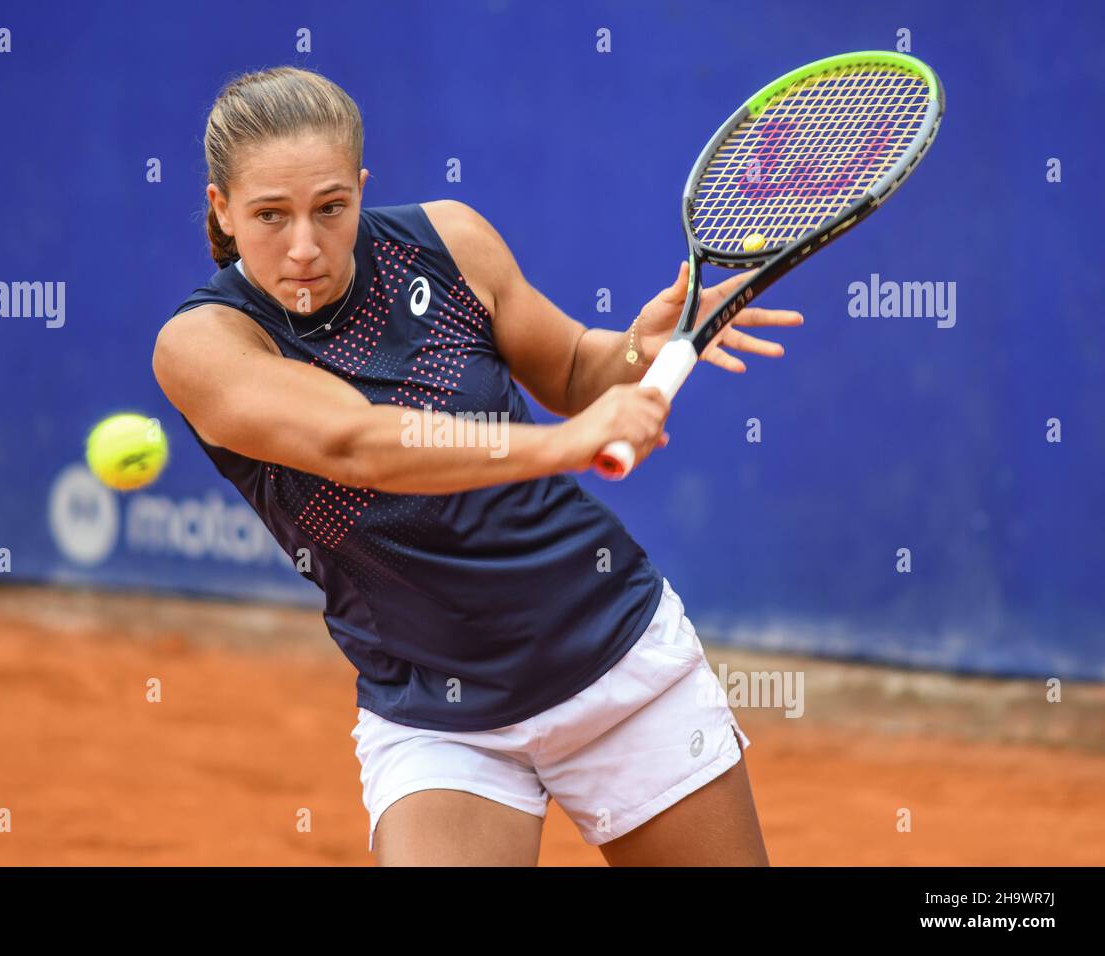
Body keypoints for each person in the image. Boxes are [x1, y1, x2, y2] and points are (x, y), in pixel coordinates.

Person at [154, 66, 803, 866]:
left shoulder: (447, 241)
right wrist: (564, 445)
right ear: (221, 208)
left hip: (613, 655)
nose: (304, 247)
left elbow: (569, 369)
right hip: (436, 711)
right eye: (269, 216)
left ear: (361, 187)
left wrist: (648, 344)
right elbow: (356, 444)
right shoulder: (205, 345)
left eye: (331, 208)